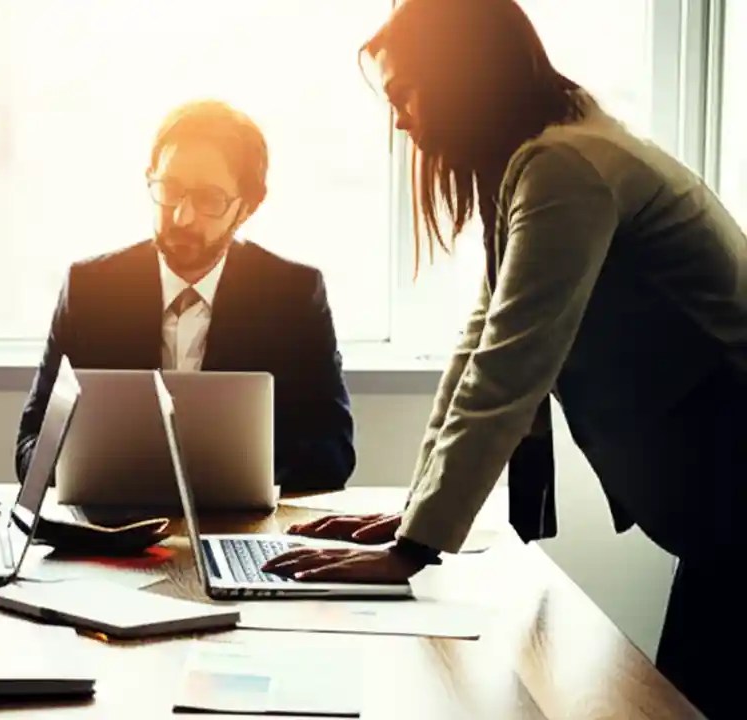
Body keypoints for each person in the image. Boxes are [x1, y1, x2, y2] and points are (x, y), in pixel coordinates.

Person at [260, 1, 745, 717]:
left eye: (404, 95)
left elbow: (510, 369)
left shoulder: (565, 166)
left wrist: (414, 550)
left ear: (461, 79)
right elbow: (478, 344)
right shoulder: (545, 157)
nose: (399, 121)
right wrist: (412, 517)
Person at [15, 99, 356, 493]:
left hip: (238, 527)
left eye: (209, 199)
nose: (182, 216)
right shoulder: (91, 290)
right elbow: (30, 449)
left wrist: (233, 474)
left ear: (248, 205)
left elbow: (334, 453)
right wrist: (85, 465)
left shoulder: (292, 296)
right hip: (114, 531)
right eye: (170, 190)